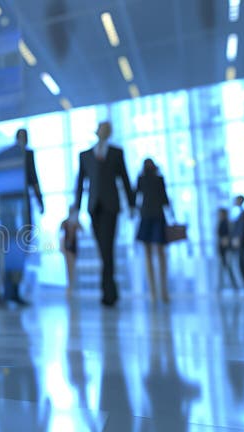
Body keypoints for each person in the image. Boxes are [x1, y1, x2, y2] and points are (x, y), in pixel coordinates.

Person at [74, 121, 135, 307]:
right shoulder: (85, 156)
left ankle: (108, 292)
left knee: (108, 246)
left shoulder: (116, 153)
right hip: (94, 208)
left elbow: (125, 179)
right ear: (97, 131)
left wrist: (131, 204)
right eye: (102, 129)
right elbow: (80, 184)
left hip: (111, 207)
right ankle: (109, 289)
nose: (105, 132)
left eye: (108, 130)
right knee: (103, 248)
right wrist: (76, 210)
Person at [0, 129, 44, 306]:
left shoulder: (16, 155)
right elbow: (32, 180)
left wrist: (40, 201)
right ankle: (9, 291)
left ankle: (12, 290)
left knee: (17, 247)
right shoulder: (12, 156)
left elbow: (32, 179)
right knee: (12, 248)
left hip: (15, 209)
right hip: (12, 209)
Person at [134, 158, 171, 303]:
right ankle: (155, 291)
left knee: (156, 254)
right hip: (150, 216)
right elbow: (164, 199)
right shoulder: (145, 179)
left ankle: (160, 290)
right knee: (153, 254)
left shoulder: (155, 179)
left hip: (153, 216)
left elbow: (164, 198)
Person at [60, 206, 83, 298]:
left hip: (74, 248)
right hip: (67, 248)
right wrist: (61, 247)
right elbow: (60, 235)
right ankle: (70, 287)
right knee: (69, 269)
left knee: (73, 268)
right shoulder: (65, 223)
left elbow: (82, 230)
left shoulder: (76, 223)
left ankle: (72, 287)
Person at [216, 207, 239, 292]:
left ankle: (234, 286)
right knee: (222, 268)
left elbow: (231, 235)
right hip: (221, 249)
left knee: (228, 267)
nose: (220, 215)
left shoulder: (228, 223)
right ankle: (220, 286)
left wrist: (227, 240)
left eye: (221, 214)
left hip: (228, 249)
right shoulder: (220, 223)